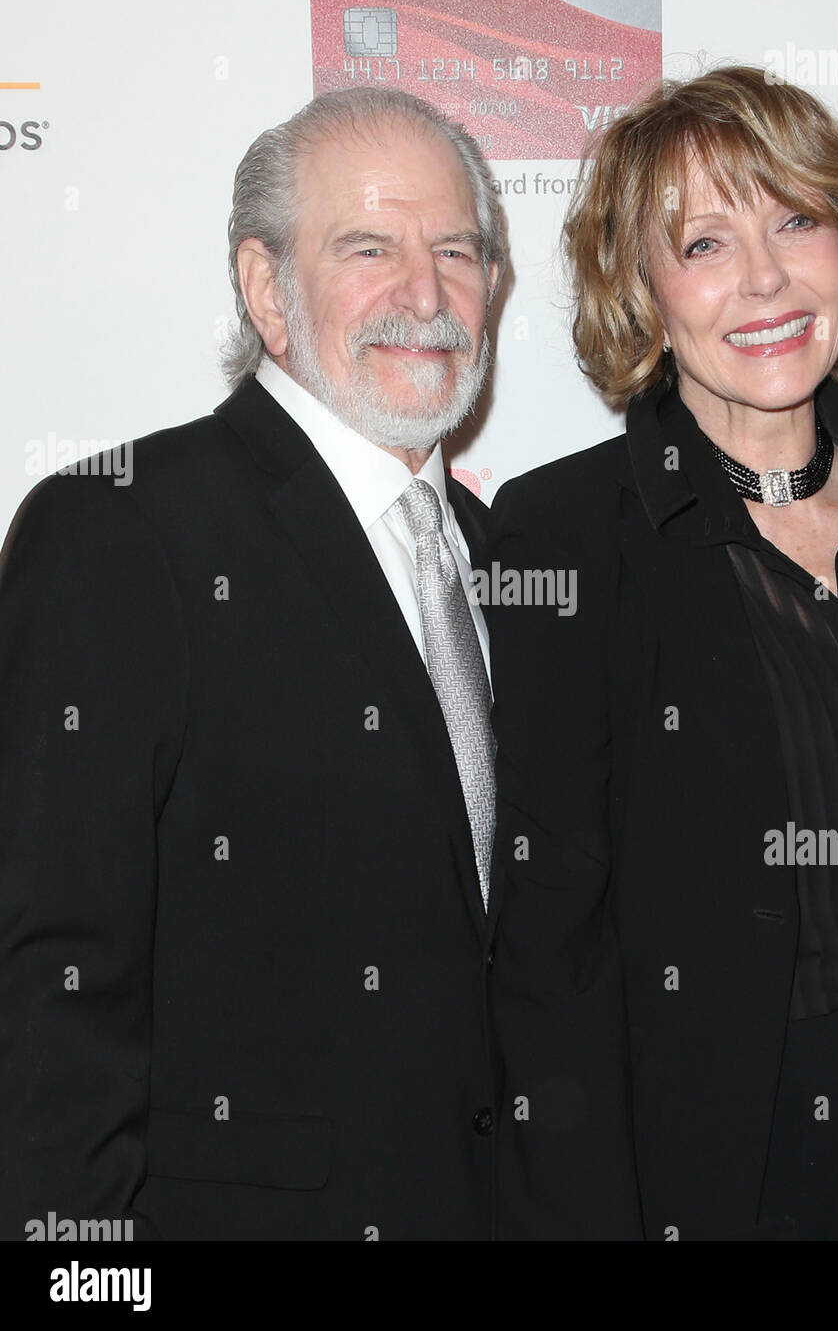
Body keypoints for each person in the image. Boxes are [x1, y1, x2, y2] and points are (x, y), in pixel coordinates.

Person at [486, 65, 838, 1241]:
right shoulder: (567, 533)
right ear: (642, 291)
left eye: (796, 218)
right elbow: (550, 944)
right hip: (722, 1166)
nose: (765, 278)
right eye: (702, 242)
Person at [0, 86, 505, 1240]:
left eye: (455, 252)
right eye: (368, 248)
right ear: (266, 289)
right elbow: (51, 973)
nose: (423, 295)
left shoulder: (503, 555)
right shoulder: (120, 531)